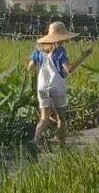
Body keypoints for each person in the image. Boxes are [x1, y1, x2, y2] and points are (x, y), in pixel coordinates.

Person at [27, 21, 75, 149]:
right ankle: (62, 147)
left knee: (44, 118)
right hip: (57, 86)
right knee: (61, 118)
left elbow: (30, 67)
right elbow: (68, 70)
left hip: (42, 87)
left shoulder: (39, 50)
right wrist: (83, 57)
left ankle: (35, 141)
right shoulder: (60, 51)